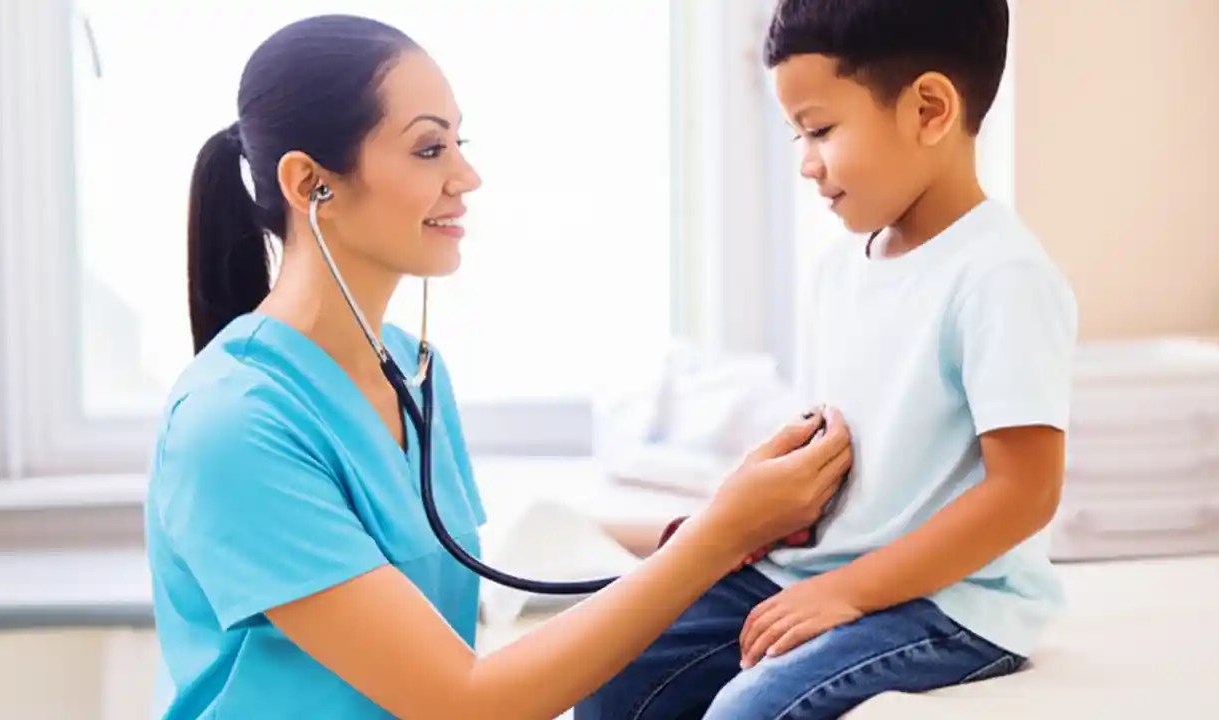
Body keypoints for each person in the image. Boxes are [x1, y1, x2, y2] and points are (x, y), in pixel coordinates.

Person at [144, 13, 853, 720]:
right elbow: (465, 701)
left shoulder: (414, 375)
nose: (467, 176)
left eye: (459, 143)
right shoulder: (231, 426)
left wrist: (726, 523)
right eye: (428, 149)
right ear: (310, 183)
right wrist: (719, 533)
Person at [577, 1, 1078, 718]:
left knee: (747, 712)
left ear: (929, 110)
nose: (807, 164)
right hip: (819, 569)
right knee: (611, 675)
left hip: (949, 602)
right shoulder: (841, 269)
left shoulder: (1000, 275)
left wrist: (845, 591)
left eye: (819, 130)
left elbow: (1025, 493)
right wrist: (755, 520)